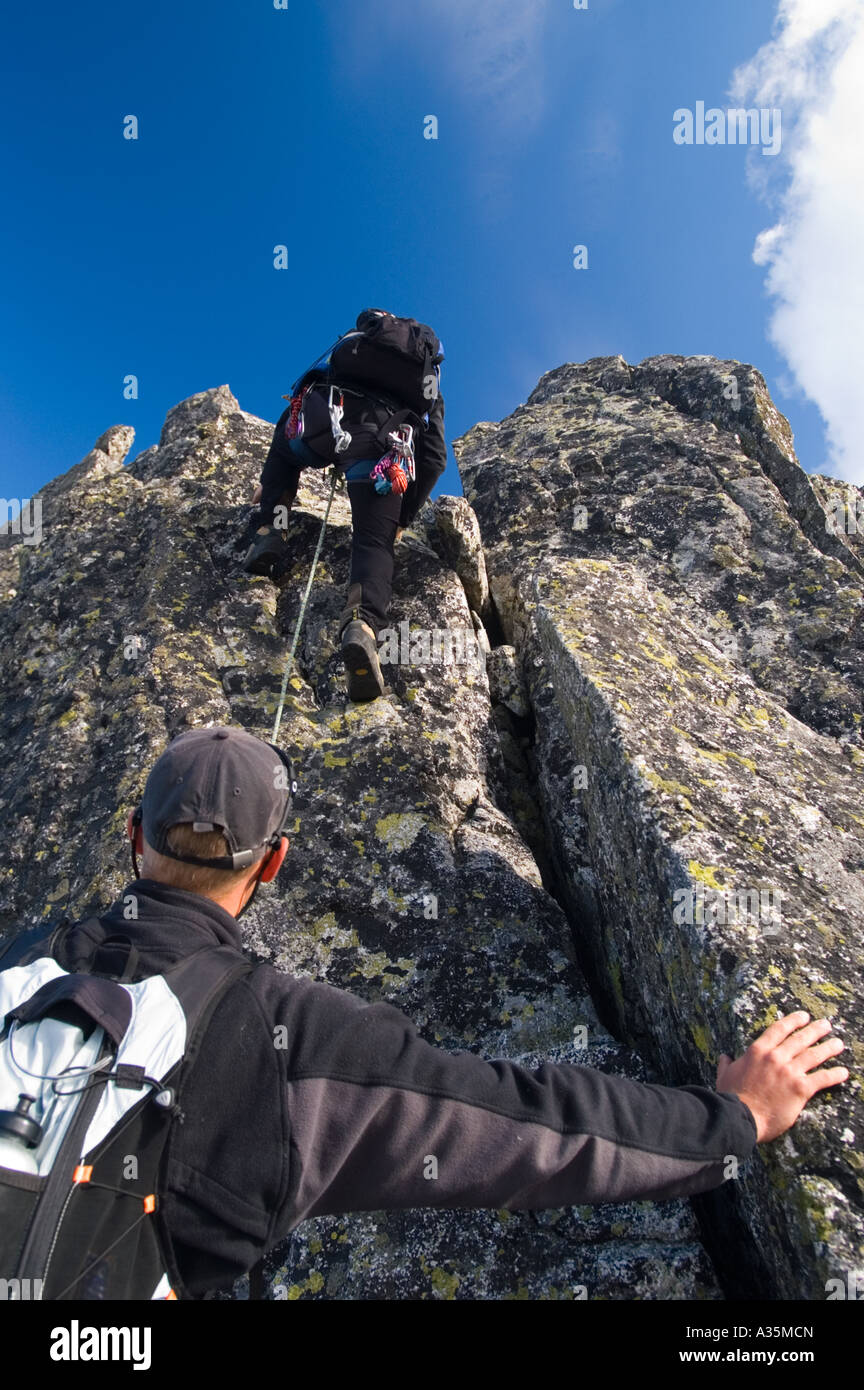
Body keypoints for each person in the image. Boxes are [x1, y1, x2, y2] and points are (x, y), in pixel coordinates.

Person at [15, 728, 848, 1300]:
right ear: (274, 862)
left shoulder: (18, 967)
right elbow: (522, 1123)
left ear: (133, 837)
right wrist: (733, 1119)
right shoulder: (294, 1039)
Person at [244, 309, 448, 701]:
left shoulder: (356, 344)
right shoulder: (428, 382)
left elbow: (306, 389)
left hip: (324, 427)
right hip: (382, 451)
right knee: (374, 543)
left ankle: (271, 529)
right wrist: (401, 518)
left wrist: (271, 487)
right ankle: (363, 626)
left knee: (285, 448)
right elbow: (435, 456)